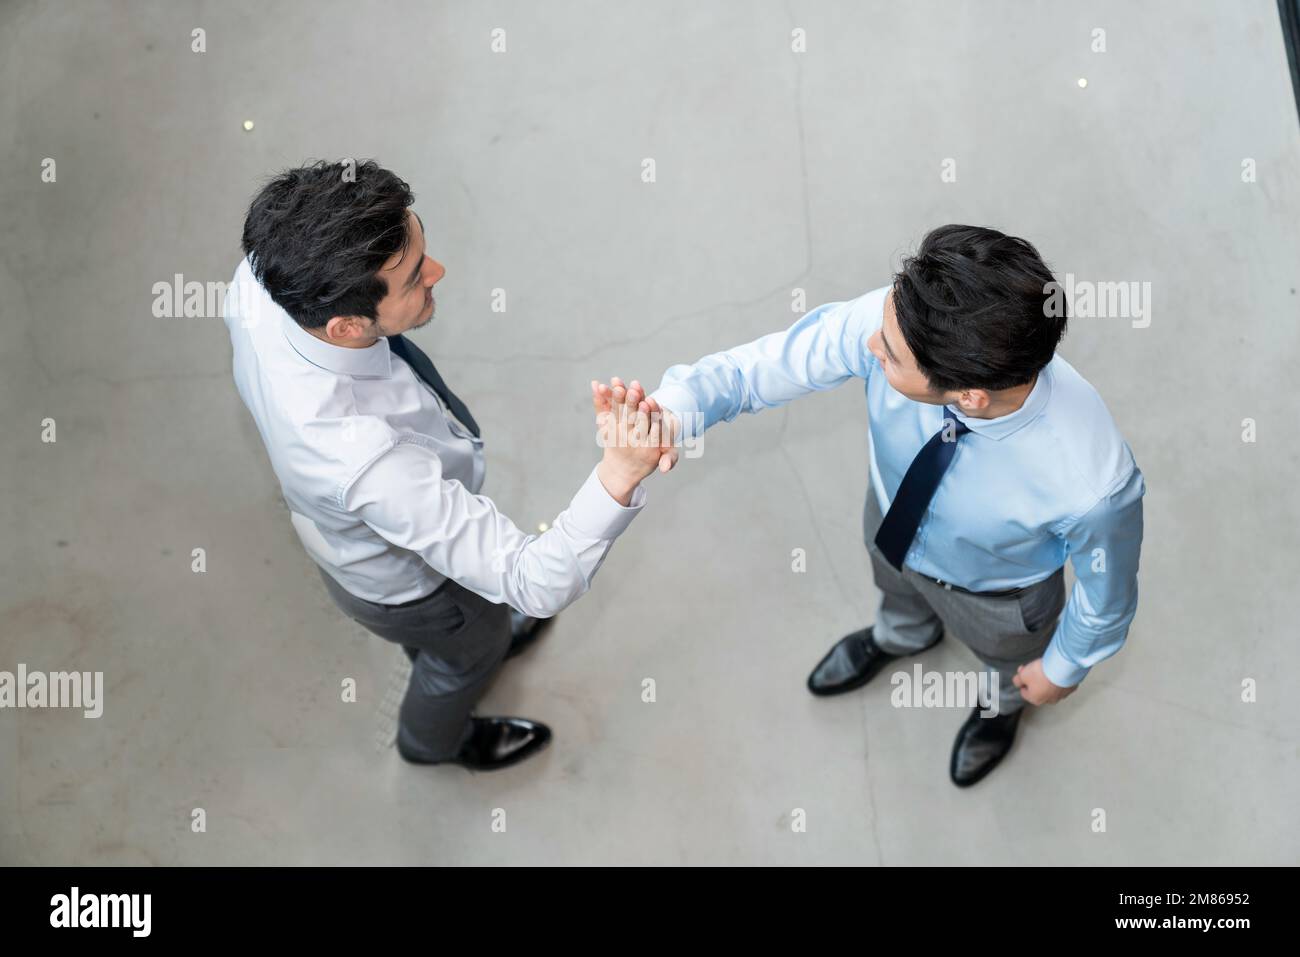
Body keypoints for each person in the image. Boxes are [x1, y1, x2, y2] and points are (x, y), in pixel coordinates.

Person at [638, 225, 1145, 787]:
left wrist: (1061, 667)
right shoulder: (901, 321)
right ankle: (903, 635)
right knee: (895, 586)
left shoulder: (1092, 486)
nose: (870, 345)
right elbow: (761, 369)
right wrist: (670, 412)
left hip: (997, 597)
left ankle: (1002, 706)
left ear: (968, 396)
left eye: (890, 356)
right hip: (891, 511)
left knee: (1009, 665)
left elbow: (1107, 594)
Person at [223, 160, 672, 771]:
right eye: (413, 278)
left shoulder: (260, 278)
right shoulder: (369, 461)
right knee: (467, 653)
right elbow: (535, 582)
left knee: (471, 628)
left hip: (354, 539)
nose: (438, 272)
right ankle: (433, 743)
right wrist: (620, 472)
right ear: (347, 324)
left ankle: (471, 640)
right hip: (415, 590)